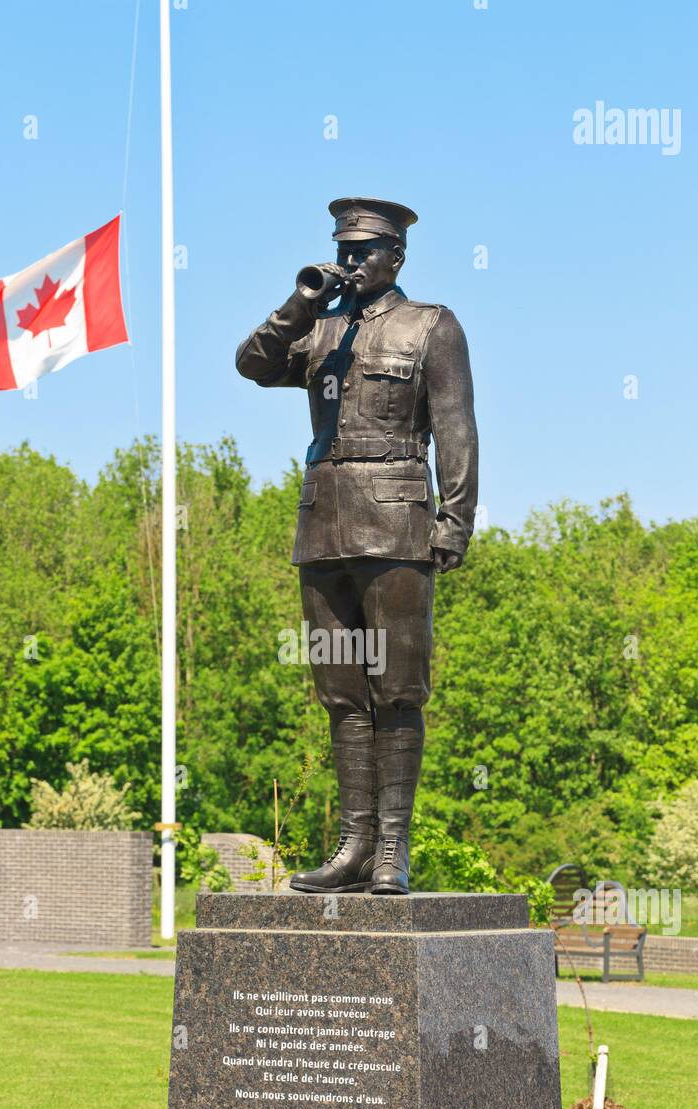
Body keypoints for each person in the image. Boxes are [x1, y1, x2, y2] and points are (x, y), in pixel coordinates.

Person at [236, 198, 479, 894]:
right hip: (323, 525)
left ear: (395, 255)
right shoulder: (320, 330)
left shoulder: (432, 326)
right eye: (342, 249)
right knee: (341, 693)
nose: (349, 261)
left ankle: (393, 852)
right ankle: (353, 846)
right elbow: (252, 363)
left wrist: (454, 521)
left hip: (399, 521)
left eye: (363, 250)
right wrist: (300, 301)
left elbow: (457, 427)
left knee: (397, 688)